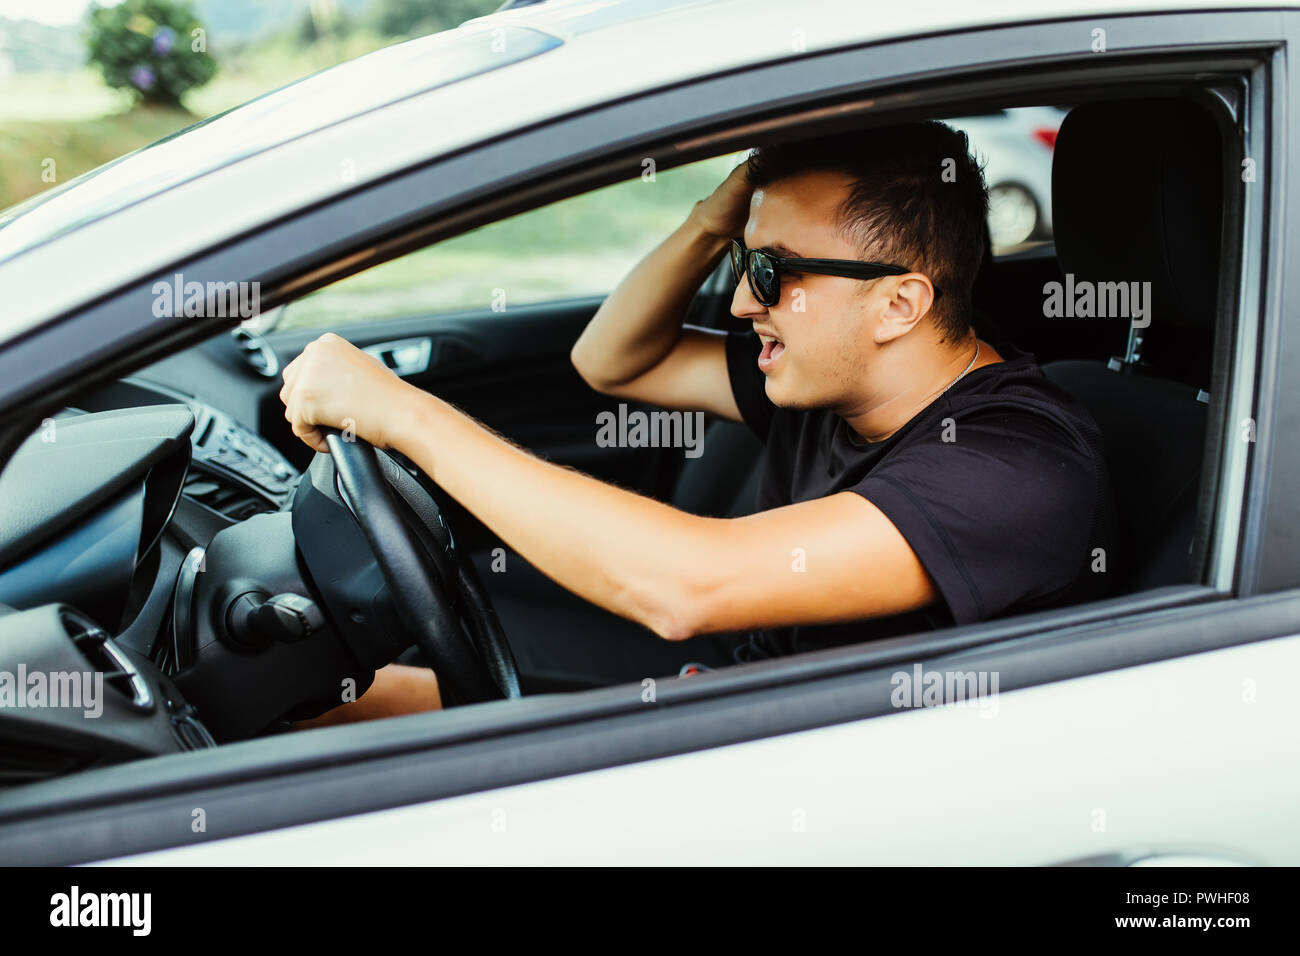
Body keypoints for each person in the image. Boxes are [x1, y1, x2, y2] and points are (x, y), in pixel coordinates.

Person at [282, 122, 1115, 725]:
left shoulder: (1016, 464)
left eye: (773, 271)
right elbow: (613, 362)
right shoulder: (840, 380)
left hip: (822, 788)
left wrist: (401, 412)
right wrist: (716, 219)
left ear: (899, 303)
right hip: (735, 709)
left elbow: (687, 587)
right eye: (740, 264)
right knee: (330, 706)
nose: (745, 301)